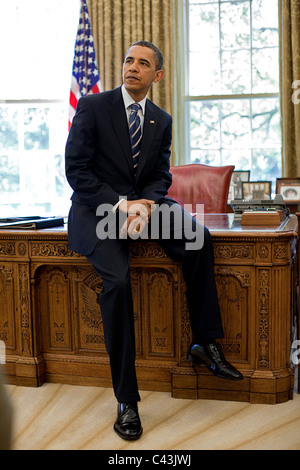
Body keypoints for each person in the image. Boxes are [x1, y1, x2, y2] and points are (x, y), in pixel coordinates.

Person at [65, 40, 243, 441]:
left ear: (156, 76)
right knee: (119, 283)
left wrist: (146, 205)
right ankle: (127, 399)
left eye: (143, 63)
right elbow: (76, 170)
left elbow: (161, 175)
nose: (133, 67)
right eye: (129, 60)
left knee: (198, 238)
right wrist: (122, 205)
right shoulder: (93, 107)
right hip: (98, 211)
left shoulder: (160, 120)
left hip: (144, 207)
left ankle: (205, 343)